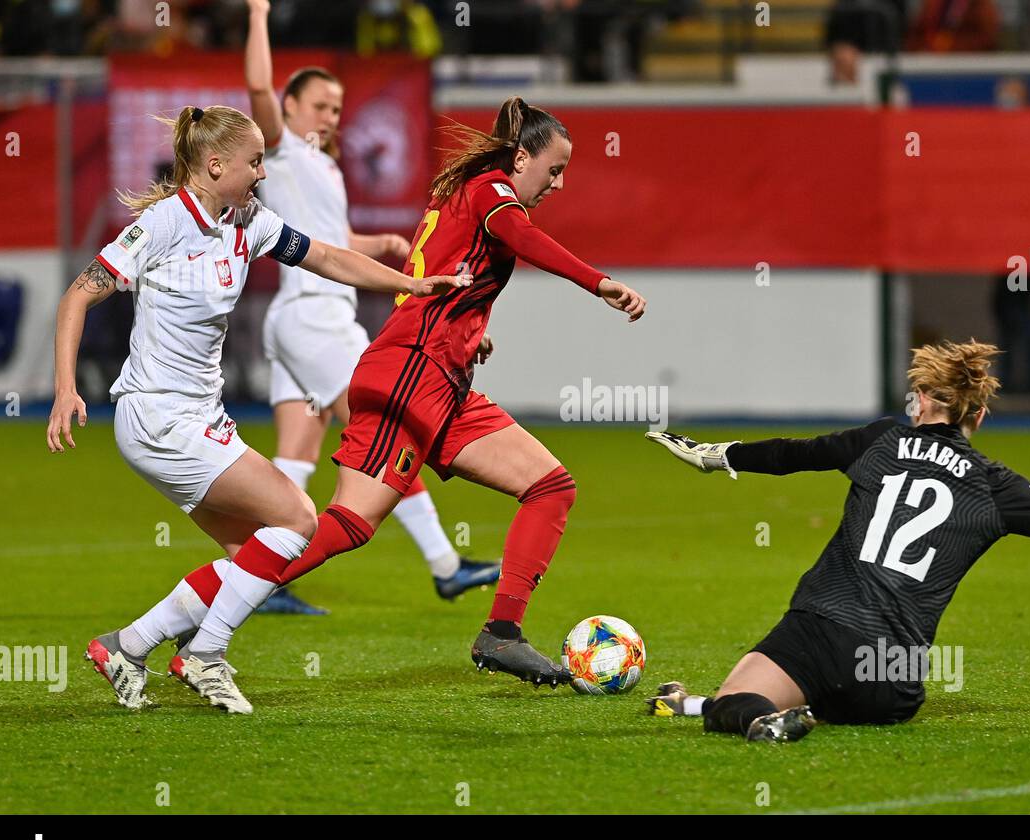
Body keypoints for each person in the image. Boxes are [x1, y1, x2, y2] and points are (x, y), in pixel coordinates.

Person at [47, 104, 469, 714]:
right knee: (297, 517)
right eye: (254, 162)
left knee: (263, 557)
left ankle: (125, 646)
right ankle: (203, 656)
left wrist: (412, 285)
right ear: (214, 165)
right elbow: (78, 295)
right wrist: (66, 388)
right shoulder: (163, 223)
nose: (263, 174)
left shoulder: (248, 220)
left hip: (200, 418)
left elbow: (326, 257)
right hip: (158, 418)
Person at [643, 339, 1030, 742]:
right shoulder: (997, 486)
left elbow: (791, 454)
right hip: (893, 682)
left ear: (918, 403)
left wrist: (719, 455)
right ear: (979, 417)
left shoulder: (879, 440)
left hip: (820, 628)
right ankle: (728, 706)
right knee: (822, 693)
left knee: (735, 702)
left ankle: (741, 716)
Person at [255, 96, 647, 689]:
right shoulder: (492, 190)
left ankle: (502, 634)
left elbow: (433, 274)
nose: (560, 183)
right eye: (556, 169)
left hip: (439, 378)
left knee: (549, 487)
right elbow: (522, 236)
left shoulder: (458, 195)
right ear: (521, 157)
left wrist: (468, 336)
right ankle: (203, 603)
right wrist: (600, 282)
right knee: (348, 523)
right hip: (412, 373)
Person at [244, 0, 500, 615]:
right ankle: (444, 564)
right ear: (290, 108)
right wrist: (258, 15)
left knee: (296, 453)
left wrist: (376, 247)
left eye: (337, 108)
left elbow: (322, 241)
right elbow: (256, 83)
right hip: (315, 315)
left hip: (299, 314)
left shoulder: (321, 168)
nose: (331, 117)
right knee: (388, 433)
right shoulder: (279, 152)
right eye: (320, 106)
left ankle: (263, 574)